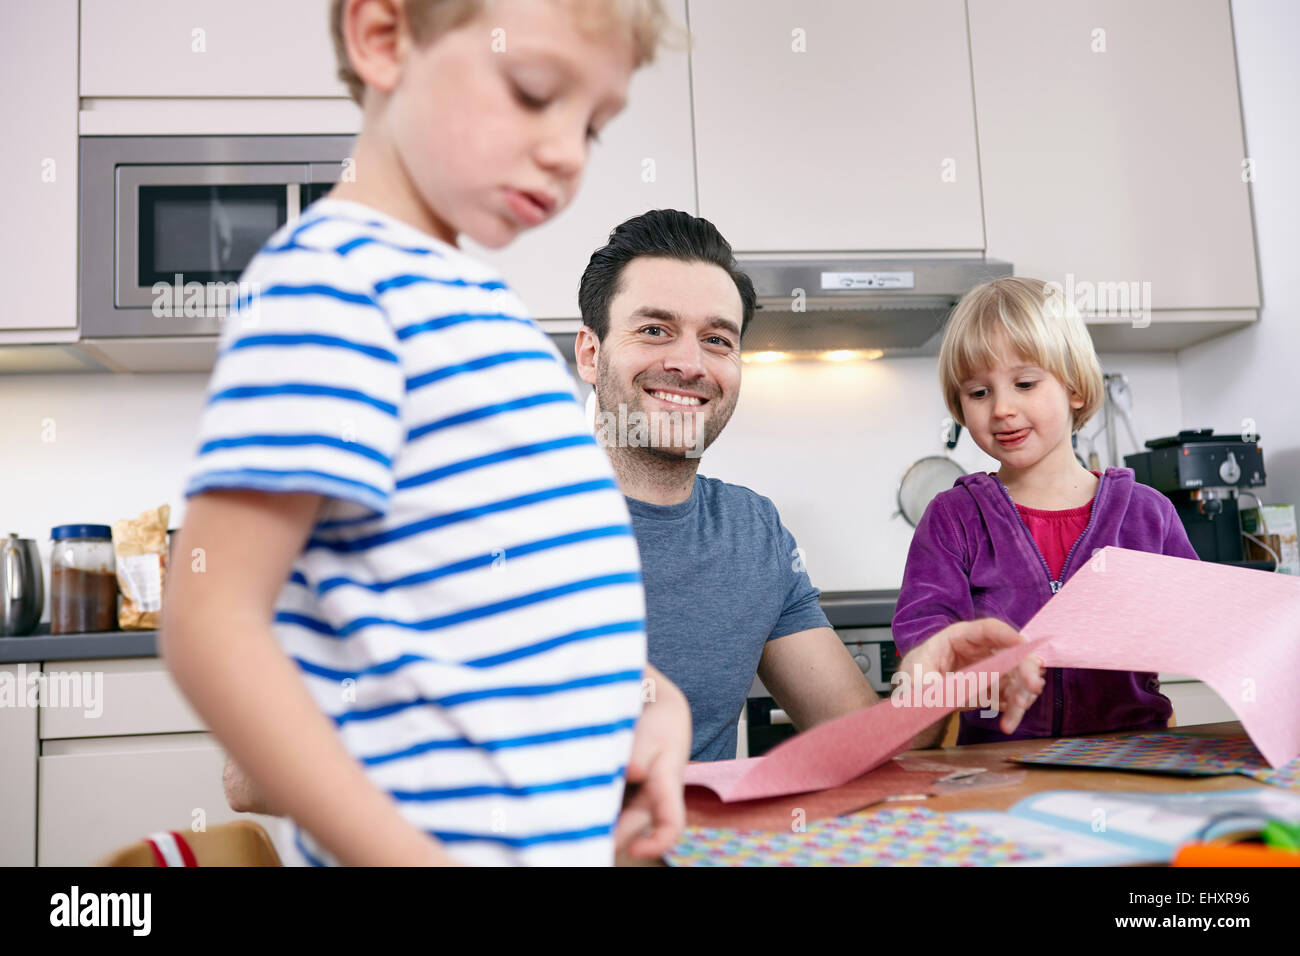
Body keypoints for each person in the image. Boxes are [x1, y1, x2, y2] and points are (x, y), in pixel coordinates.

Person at [162, 0, 687, 867]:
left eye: (592, 125)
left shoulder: (494, 324)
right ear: (382, 36)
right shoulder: (336, 287)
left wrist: (649, 708)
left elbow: (518, 609)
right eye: (531, 91)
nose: (565, 150)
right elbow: (210, 623)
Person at [574, 209, 1045, 760]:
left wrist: (939, 690)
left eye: (717, 339)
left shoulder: (752, 533)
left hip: (709, 847)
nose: (689, 363)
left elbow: (862, 744)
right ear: (590, 352)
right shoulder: (499, 518)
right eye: (655, 330)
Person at [893, 276, 1199, 745]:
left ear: (1074, 388)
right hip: (1000, 768)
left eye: (1024, 383)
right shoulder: (952, 518)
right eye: (979, 393)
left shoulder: (1147, 513)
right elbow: (927, 634)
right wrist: (931, 664)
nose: (1002, 409)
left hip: (1135, 760)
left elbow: (1198, 626)